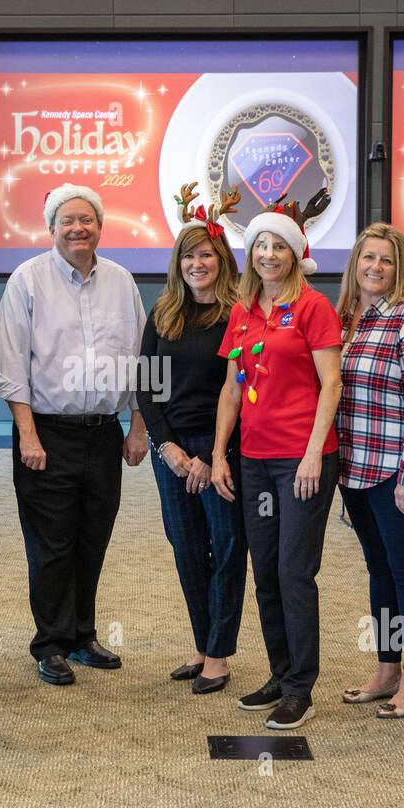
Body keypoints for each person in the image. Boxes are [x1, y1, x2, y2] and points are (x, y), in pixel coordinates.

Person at [0, 183, 149, 686]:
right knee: (51, 544)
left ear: (100, 227)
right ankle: (51, 642)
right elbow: (10, 363)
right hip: (47, 435)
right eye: (68, 220)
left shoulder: (122, 282)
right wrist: (27, 435)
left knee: (92, 539)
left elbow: (141, 358)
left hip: (104, 433)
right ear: (51, 227)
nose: (78, 228)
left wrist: (137, 427)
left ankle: (83, 635)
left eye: (87, 220)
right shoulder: (27, 280)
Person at [210, 191, 342, 730]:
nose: (268, 253)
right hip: (254, 460)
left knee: (293, 571)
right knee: (264, 570)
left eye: (278, 246)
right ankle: (279, 671)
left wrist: (313, 453)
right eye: (260, 244)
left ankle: (300, 688)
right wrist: (219, 453)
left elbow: (331, 382)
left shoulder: (313, 307)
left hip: (302, 461)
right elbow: (231, 390)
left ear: (294, 255)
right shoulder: (241, 312)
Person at [138, 183, 246, 695]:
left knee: (226, 548)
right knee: (186, 547)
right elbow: (147, 385)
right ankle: (203, 644)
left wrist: (208, 455)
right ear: (177, 263)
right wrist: (168, 448)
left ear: (222, 259)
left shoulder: (239, 317)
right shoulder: (163, 314)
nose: (197, 263)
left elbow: (244, 389)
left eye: (206, 254)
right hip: (171, 452)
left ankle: (219, 656)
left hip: (223, 450)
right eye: (188, 255)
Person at [336, 222, 404, 720]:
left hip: (395, 471)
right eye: (368, 258)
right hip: (353, 468)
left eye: (387, 260)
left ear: (399, 269)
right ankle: (386, 668)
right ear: (355, 263)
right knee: (378, 570)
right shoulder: (344, 319)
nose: (376, 267)